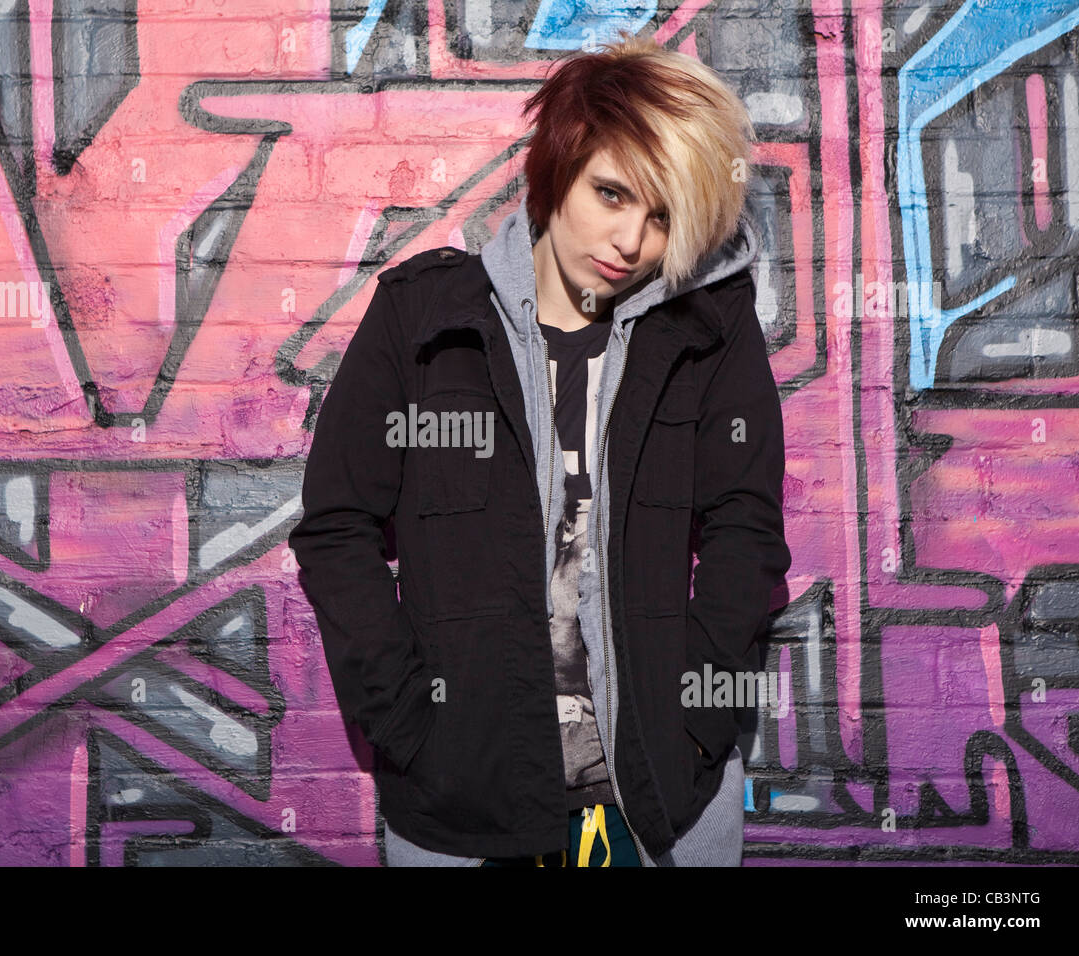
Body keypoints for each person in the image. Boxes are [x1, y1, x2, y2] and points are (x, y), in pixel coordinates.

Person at [288, 34, 791, 866]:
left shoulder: (706, 333)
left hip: (659, 806)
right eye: (611, 193)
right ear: (557, 170)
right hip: (465, 807)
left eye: (662, 217)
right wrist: (410, 725)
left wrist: (699, 720)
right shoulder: (425, 319)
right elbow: (336, 525)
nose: (630, 241)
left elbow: (748, 527)